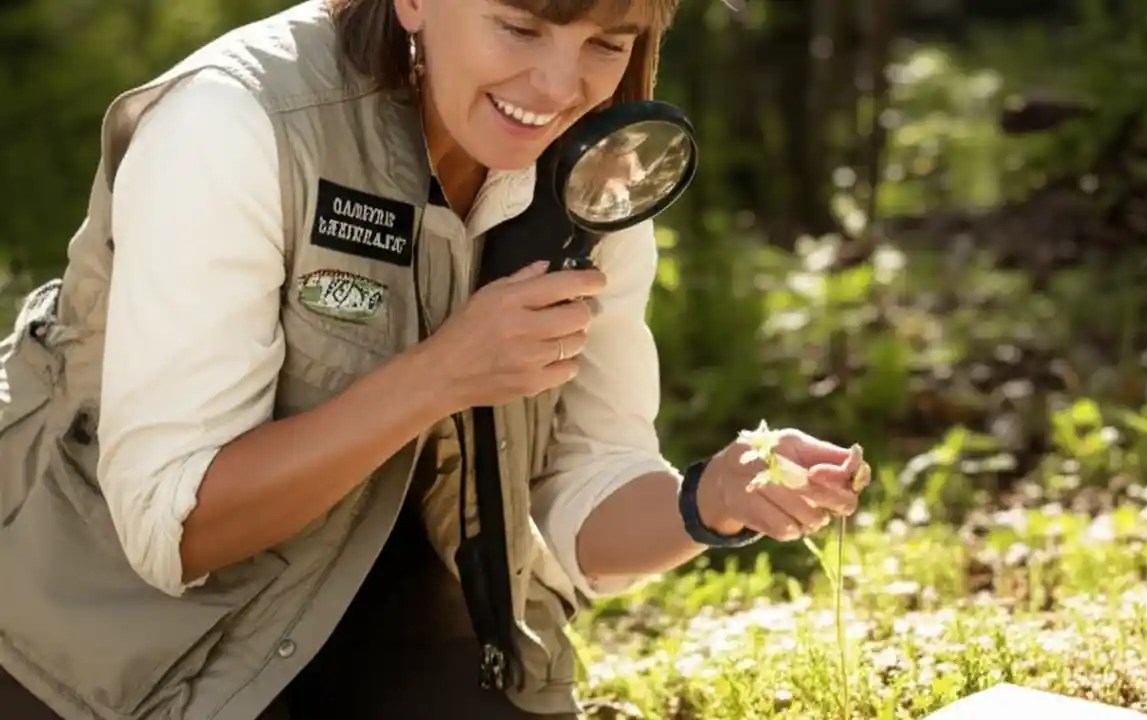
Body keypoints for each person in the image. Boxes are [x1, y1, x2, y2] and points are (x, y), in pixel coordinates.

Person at [0, 0, 870, 717]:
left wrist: (710, 499)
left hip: (386, 610)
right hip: (94, 650)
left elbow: (577, 500)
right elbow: (176, 531)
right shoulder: (233, 124)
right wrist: (442, 374)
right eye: (521, 28)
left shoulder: (599, 169)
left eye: (607, 43)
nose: (560, 87)